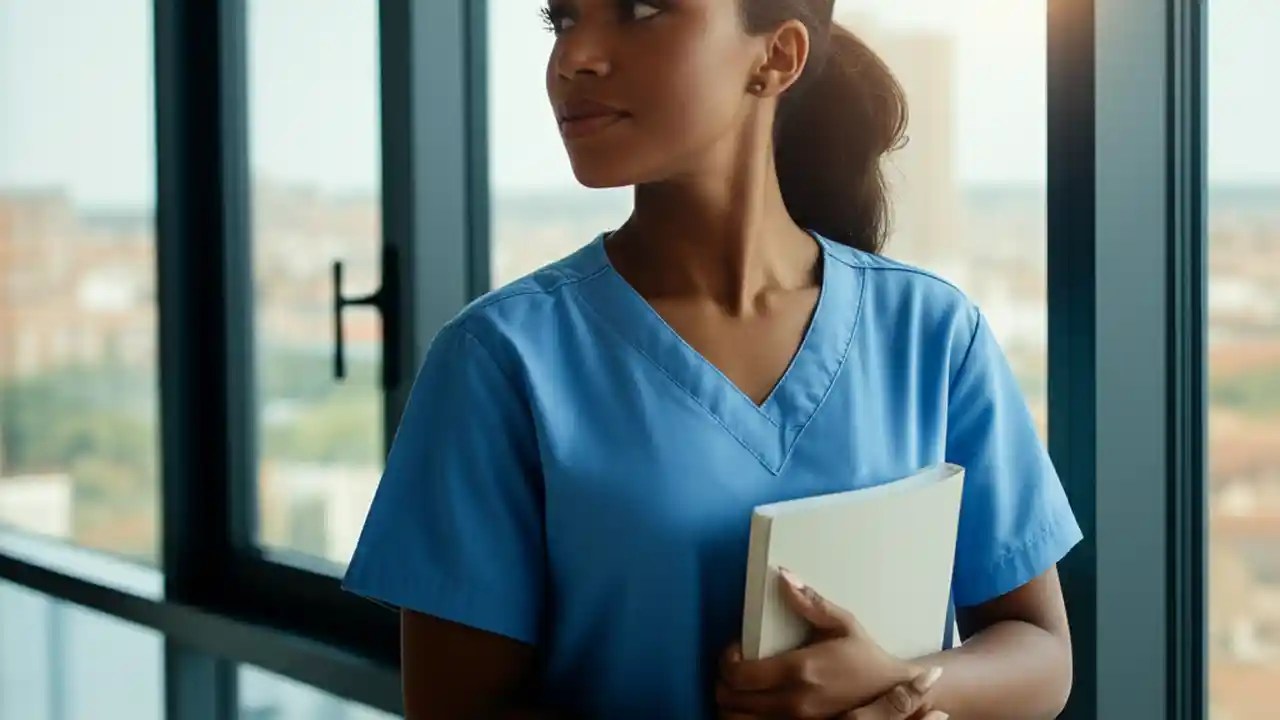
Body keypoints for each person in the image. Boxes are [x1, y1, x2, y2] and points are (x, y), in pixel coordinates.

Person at [342, 0, 1083, 718]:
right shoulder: (500, 363)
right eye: (562, 19)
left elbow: (1040, 652)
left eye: (640, 10)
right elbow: (454, 709)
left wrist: (902, 686)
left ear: (777, 55)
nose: (573, 57)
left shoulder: (932, 333)